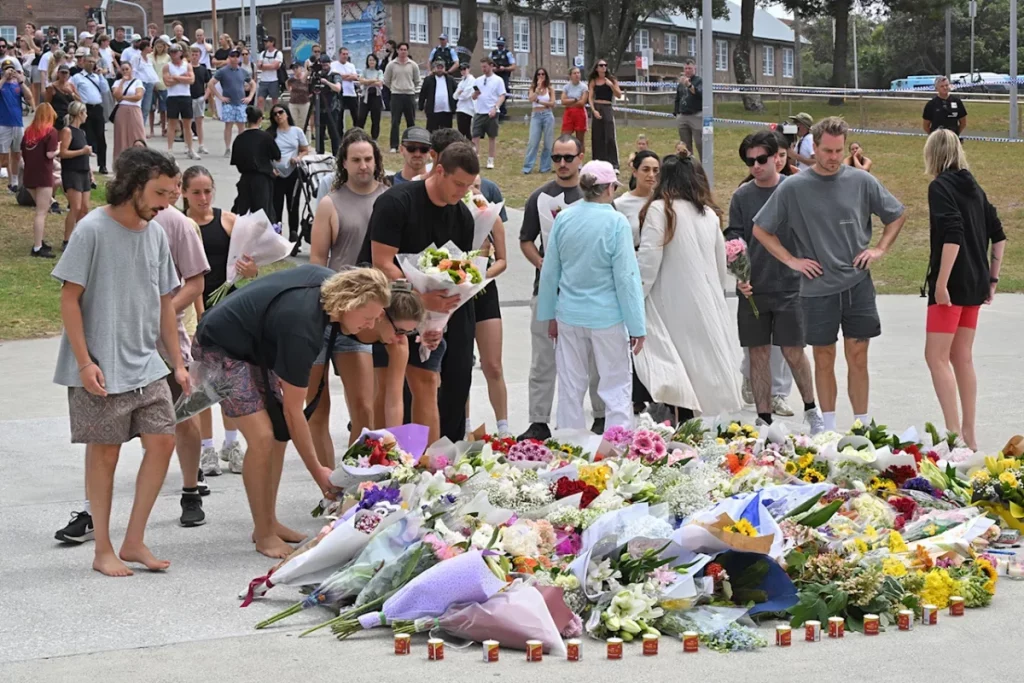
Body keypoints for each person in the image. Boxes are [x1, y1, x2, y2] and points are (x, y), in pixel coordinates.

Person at [52, 147, 187, 576]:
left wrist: (177, 362)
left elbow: (165, 303)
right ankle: (102, 550)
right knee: (105, 455)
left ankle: (133, 540)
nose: (166, 203)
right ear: (132, 186)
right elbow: (69, 299)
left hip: (147, 362)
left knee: (163, 441)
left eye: (170, 194)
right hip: (101, 364)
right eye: (159, 193)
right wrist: (84, 362)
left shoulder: (156, 233)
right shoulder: (91, 229)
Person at [192, 266, 389, 557]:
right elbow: (294, 413)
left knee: (279, 435)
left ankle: (269, 521)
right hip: (219, 345)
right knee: (262, 438)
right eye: (367, 317)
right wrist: (318, 471)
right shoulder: (303, 327)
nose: (370, 325)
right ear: (348, 304)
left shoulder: (330, 287)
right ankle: (263, 534)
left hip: (254, 345)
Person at [753, 116, 907, 431]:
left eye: (839, 151)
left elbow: (896, 214)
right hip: (816, 288)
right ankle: (828, 428)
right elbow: (761, 229)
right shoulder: (794, 187)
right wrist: (792, 261)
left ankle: (862, 426)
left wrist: (879, 249)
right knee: (823, 357)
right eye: (827, 151)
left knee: (858, 356)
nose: (834, 157)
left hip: (857, 284)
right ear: (815, 149)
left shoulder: (861, 181)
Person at [361, 142, 479, 445]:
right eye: (458, 183)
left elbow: (457, 278)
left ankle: (427, 461)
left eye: (468, 185)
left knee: (427, 381)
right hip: (383, 308)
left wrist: (438, 321)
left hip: (430, 311)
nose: (463, 192)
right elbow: (382, 264)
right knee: (388, 383)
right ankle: (384, 456)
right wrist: (419, 299)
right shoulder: (396, 202)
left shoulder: (463, 217)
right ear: (439, 170)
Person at [726, 131, 823, 431]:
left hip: (791, 287)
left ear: (776, 158)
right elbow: (734, 239)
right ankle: (764, 418)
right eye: (750, 161)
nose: (755, 166)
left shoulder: (796, 189)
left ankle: (811, 410)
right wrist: (739, 275)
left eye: (761, 159)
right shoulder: (742, 196)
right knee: (758, 353)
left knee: (793, 351)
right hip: (753, 289)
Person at [537, 160, 645, 430]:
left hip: (569, 315)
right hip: (608, 318)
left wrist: (549, 315)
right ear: (609, 188)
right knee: (616, 385)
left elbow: (550, 272)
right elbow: (626, 278)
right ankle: (617, 443)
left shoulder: (564, 218)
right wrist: (637, 326)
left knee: (570, 386)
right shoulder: (616, 222)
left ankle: (570, 443)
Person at [309, 128, 393, 458]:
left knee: (364, 406)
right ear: (344, 163)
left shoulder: (389, 198)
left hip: (366, 317)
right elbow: (317, 260)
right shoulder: (330, 204)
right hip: (329, 313)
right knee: (317, 405)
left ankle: (355, 474)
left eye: (368, 159)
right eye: (356, 159)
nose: (363, 166)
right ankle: (327, 478)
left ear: (376, 161)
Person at [519, 135, 607, 440]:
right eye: (556, 157)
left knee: (594, 357)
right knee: (543, 359)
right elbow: (526, 240)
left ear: (581, 157)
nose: (562, 163)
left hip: (589, 292)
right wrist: (541, 264)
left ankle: (601, 415)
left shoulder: (595, 197)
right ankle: (538, 420)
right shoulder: (539, 197)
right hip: (547, 291)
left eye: (568, 157)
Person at [923, 129, 1005, 450]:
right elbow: (998, 235)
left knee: (936, 357)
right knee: (962, 356)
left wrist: (941, 283)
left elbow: (953, 233)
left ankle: (953, 435)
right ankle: (969, 434)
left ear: (932, 154)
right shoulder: (975, 188)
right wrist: (992, 280)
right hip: (976, 282)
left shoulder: (939, 187)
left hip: (953, 284)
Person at [181, 166, 256, 475]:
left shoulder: (228, 221)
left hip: (230, 309)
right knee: (201, 383)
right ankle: (207, 448)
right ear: (184, 193)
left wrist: (250, 270)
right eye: (196, 192)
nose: (203, 198)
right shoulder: (181, 225)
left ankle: (232, 443)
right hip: (196, 310)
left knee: (231, 380)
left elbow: (251, 264)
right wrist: (198, 314)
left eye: (208, 191)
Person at [152, 175, 211, 526]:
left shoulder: (178, 224)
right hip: (125, 341)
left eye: (171, 188)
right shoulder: (110, 221)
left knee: (184, 416)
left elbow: (195, 283)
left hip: (170, 338)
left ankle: (191, 489)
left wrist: (162, 315)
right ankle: (92, 509)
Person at [470, 173, 510, 436]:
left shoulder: (491, 217)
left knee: (493, 364)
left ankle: (503, 428)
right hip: (457, 290)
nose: (473, 192)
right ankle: (463, 426)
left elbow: (503, 261)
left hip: (484, 290)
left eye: (477, 186)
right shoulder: (451, 215)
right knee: (460, 365)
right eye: (468, 186)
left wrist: (483, 274)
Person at [21, 103, 59, 258]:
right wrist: (58, 149)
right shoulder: (51, 132)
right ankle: (37, 247)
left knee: (41, 209)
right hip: (43, 175)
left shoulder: (28, 132)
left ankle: (39, 240)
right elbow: (50, 154)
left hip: (29, 175)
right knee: (41, 212)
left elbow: (23, 153)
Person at [230, 106, 281, 220]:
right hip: (263, 179)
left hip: (245, 178)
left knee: (243, 212)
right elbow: (277, 157)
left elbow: (236, 161)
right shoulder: (266, 137)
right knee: (263, 213)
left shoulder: (239, 138)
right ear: (260, 119)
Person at [268, 105, 309, 243]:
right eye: (275, 114)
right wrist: (271, 169)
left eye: (281, 112)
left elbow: (305, 149)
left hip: (293, 173)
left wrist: (298, 158)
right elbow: (265, 154)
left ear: (287, 114)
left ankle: (294, 236)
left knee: (293, 205)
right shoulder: (270, 133)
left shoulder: (297, 131)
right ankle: (277, 236)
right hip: (277, 175)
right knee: (276, 206)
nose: (278, 116)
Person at [208, 48, 255, 155]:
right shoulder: (223, 71)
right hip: (228, 103)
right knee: (228, 125)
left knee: (241, 126)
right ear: (229, 57)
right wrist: (220, 97)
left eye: (237, 56)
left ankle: (241, 147)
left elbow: (253, 84)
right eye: (232, 56)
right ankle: (228, 148)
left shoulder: (242, 71)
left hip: (240, 103)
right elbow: (211, 84)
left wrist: (250, 97)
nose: (235, 58)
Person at [59, 101, 92, 244]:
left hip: (83, 171)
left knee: (84, 208)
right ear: (80, 113)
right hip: (72, 172)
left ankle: (80, 237)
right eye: (85, 112)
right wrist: (82, 151)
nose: (86, 115)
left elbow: (83, 153)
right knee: (75, 207)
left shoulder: (82, 132)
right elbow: (63, 153)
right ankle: (67, 239)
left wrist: (90, 172)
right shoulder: (67, 131)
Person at [613, 150, 660, 247]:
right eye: (646, 170)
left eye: (655, 170)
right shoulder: (620, 204)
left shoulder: (663, 200)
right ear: (635, 172)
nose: (651, 175)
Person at [1, 62, 33, 194]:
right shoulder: (2, 84)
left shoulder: (17, 86)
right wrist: (4, 78)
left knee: (17, 154)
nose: (10, 72)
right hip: (3, 124)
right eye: (7, 69)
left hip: (17, 123)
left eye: (12, 69)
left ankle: (14, 183)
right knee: (3, 157)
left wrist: (21, 82)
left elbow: (29, 97)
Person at [383, 42, 421, 153]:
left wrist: (411, 89)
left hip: (409, 95)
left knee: (411, 121)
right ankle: (394, 146)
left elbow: (417, 80)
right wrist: (394, 88)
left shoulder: (413, 65)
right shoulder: (391, 65)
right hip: (396, 95)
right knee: (395, 122)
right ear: (397, 51)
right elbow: (386, 80)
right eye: (401, 49)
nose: (403, 52)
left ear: (407, 51)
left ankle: (411, 144)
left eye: (405, 50)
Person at [163, 44, 198, 158]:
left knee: (187, 124)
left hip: (185, 96)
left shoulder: (187, 65)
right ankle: (170, 149)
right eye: (171, 52)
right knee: (172, 124)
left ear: (181, 53)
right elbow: (167, 82)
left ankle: (190, 149)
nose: (174, 54)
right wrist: (183, 77)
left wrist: (176, 77)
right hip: (172, 96)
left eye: (176, 52)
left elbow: (191, 80)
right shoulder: (167, 66)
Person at [471, 57, 506, 170]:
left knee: (492, 137)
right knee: (475, 136)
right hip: (479, 111)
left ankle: (490, 159)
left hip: (491, 112)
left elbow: (502, 95)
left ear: (491, 66)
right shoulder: (478, 80)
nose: (483, 69)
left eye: (485, 67)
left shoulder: (498, 80)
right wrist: (475, 94)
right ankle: (475, 158)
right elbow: (474, 96)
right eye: (482, 67)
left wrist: (495, 108)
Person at [588, 60, 622, 169]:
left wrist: (611, 85)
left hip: (607, 107)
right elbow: (590, 97)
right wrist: (593, 110)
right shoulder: (594, 81)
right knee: (597, 136)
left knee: (610, 136)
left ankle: (613, 163)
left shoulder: (612, 80)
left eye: (605, 65)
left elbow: (619, 95)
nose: (603, 67)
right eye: (601, 65)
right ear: (597, 68)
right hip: (597, 107)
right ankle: (597, 162)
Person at [522, 67, 555, 175]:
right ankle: (527, 167)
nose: (541, 76)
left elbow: (552, 103)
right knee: (533, 142)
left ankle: (545, 167)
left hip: (547, 115)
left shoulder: (550, 89)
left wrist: (539, 101)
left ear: (546, 76)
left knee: (548, 143)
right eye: (539, 74)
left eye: (543, 74)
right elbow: (531, 99)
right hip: (536, 115)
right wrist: (537, 89)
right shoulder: (532, 88)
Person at [111, 61, 146, 160]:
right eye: (123, 70)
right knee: (121, 136)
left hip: (135, 109)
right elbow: (116, 95)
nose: (125, 71)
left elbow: (138, 96)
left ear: (131, 69)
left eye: (127, 69)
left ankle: (141, 157)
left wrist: (123, 97)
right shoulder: (117, 82)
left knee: (137, 133)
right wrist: (122, 82)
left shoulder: (137, 82)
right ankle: (121, 159)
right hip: (121, 110)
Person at [673, 59, 703, 159]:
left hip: (696, 115)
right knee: (685, 145)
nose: (687, 71)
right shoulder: (681, 83)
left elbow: (699, 94)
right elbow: (678, 98)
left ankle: (704, 164)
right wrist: (676, 113)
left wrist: (689, 85)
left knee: (700, 143)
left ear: (695, 69)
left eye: (690, 68)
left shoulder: (699, 81)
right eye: (686, 68)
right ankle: (688, 164)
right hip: (683, 116)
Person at [419, 58, 456, 132]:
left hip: (447, 110)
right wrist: (421, 105)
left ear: (444, 69)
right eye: (438, 68)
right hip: (433, 111)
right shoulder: (428, 79)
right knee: (431, 131)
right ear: (434, 68)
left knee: (447, 132)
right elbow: (423, 93)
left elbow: (456, 92)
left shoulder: (450, 79)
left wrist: (455, 105)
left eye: (441, 68)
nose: (440, 70)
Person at [560, 66, 589, 157]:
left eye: (578, 73)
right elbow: (563, 101)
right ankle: (565, 157)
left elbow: (582, 102)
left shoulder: (584, 87)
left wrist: (569, 101)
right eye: (574, 73)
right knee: (565, 137)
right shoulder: (566, 87)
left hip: (580, 114)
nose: (577, 75)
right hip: (569, 114)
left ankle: (579, 159)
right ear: (570, 76)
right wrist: (575, 99)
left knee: (580, 140)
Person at [330, 47, 360, 133]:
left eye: (347, 54)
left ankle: (357, 132)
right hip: (339, 93)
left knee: (356, 115)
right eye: (343, 54)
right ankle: (339, 135)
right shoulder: (333, 65)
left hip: (351, 93)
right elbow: (335, 76)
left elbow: (355, 77)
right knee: (339, 116)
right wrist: (348, 76)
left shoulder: (351, 65)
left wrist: (342, 76)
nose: (345, 56)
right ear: (339, 55)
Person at [189, 45, 212, 154]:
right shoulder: (186, 68)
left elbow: (209, 84)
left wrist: (205, 96)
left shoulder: (203, 69)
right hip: (188, 97)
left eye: (196, 55)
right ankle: (188, 145)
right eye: (192, 55)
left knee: (199, 122)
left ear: (200, 56)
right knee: (188, 123)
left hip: (199, 97)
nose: (194, 57)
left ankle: (201, 144)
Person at [357, 54, 384, 141]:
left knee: (376, 118)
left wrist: (367, 81)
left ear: (376, 61)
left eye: (373, 60)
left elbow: (379, 83)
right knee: (361, 117)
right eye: (370, 60)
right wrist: (373, 80)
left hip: (375, 96)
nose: (371, 62)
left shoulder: (379, 71)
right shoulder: (364, 71)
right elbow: (361, 81)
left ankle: (374, 138)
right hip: (365, 96)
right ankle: (359, 136)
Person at [46, 63, 79, 131]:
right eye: (62, 72)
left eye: (66, 73)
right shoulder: (52, 87)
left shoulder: (71, 86)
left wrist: (71, 93)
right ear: (58, 73)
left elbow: (80, 100)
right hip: (57, 117)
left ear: (69, 74)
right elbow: (47, 104)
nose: (64, 75)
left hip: (70, 117)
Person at [148, 37, 171, 136]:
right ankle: (151, 130)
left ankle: (163, 129)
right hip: (152, 84)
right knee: (151, 109)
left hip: (163, 85)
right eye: (157, 47)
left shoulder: (167, 57)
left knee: (163, 109)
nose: (159, 49)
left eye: (161, 47)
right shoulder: (150, 56)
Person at [254, 35, 282, 112]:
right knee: (260, 99)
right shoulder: (263, 53)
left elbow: (275, 66)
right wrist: (268, 66)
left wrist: (263, 66)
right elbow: (259, 65)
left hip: (274, 80)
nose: (265, 43)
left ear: (272, 42)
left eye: (267, 41)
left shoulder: (278, 53)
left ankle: (275, 114)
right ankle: (260, 115)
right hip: (263, 80)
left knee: (275, 101)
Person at [489, 36, 515, 121]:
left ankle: (502, 111)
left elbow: (513, 66)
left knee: (503, 92)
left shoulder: (508, 54)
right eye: (498, 44)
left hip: (504, 75)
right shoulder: (492, 53)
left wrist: (504, 68)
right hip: (494, 76)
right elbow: (487, 64)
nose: (500, 46)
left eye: (501, 45)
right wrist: (493, 69)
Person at [286, 63, 311, 134]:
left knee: (305, 122)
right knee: (293, 121)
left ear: (300, 68)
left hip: (304, 103)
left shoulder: (306, 78)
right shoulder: (291, 80)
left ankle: (307, 138)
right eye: (293, 68)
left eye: (296, 68)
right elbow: (287, 84)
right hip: (293, 103)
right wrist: (290, 91)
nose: (295, 70)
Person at [453, 63, 476, 139]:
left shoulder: (472, 80)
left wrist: (460, 93)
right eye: (461, 70)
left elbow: (466, 95)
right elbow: (455, 96)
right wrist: (459, 93)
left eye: (464, 69)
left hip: (468, 109)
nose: (463, 71)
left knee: (467, 131)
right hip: (460, 108)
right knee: (461, 132)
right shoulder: (462, 81)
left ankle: (470, 145)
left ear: (469, 69)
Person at [379, 40, 397, 110]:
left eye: (388, 45)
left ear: (392, 45)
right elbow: (381, 66)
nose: (386, 47)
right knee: (385, 92)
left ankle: (393, 107)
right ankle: (388, 107)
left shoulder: (396, 55)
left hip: (394, 76)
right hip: (387, 76)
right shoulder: (387, 56)